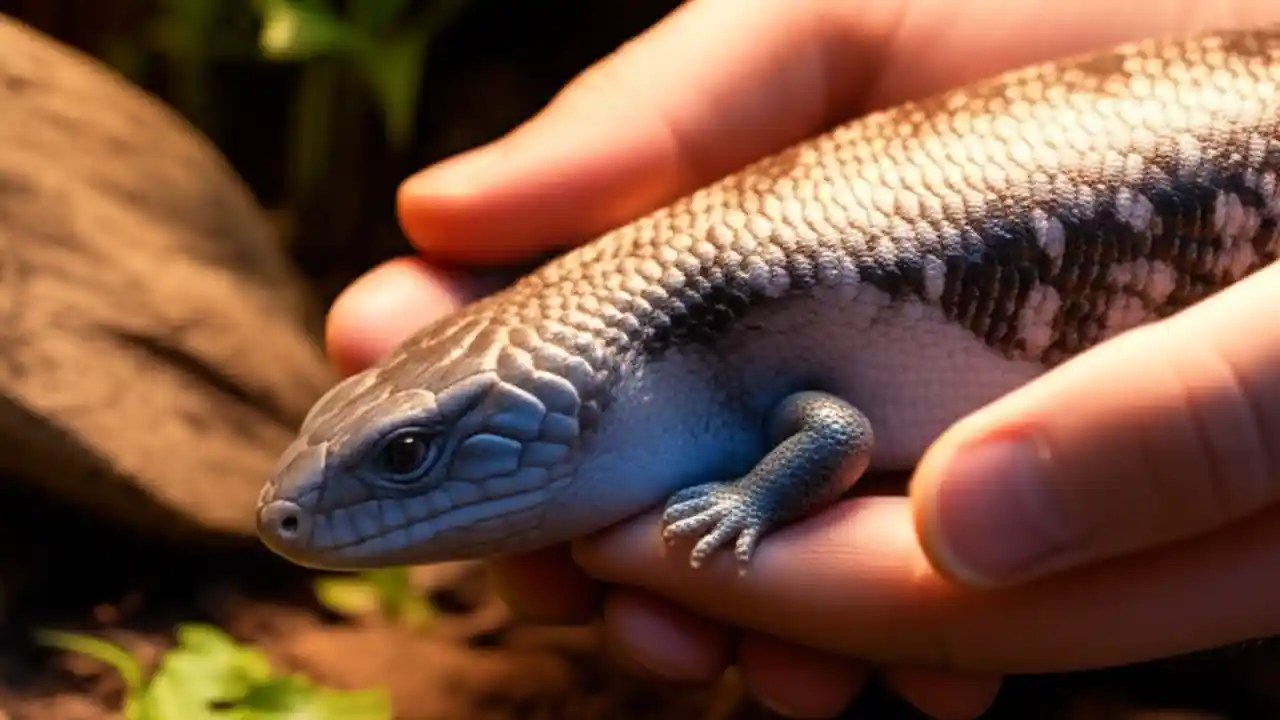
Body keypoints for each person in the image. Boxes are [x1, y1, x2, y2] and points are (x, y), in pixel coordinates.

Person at [324, 1, 1280, 717]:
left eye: (410, 457)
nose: (295, 511)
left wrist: (751, 503)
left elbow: (837, 433)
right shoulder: (648, 341)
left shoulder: (680, 347)